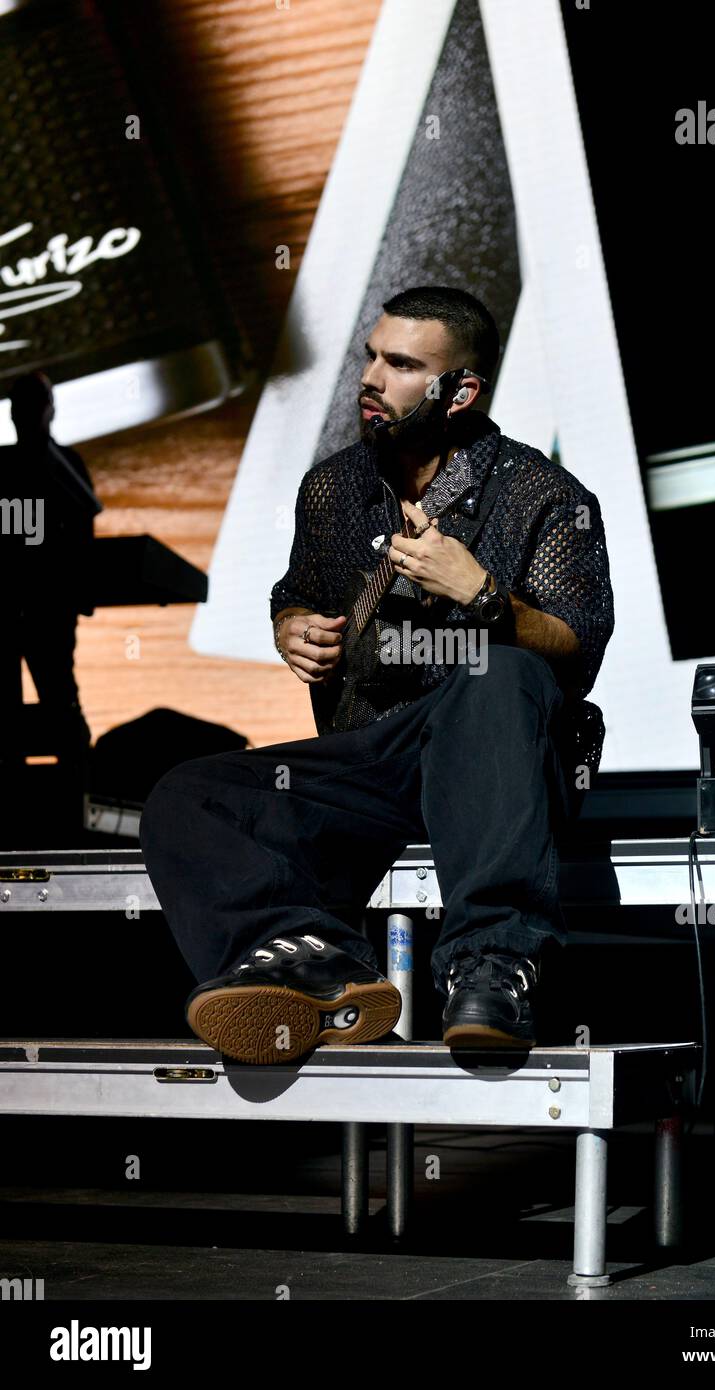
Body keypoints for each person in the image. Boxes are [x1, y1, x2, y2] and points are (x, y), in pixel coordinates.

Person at [140, 286, 614, 1064]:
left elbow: (578, 644)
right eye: (370, 355)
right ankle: (311, 961)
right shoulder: (334, 489)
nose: (370, 376)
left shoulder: (542, 495)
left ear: (458, 391)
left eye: (400, 364)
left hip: (495, 758)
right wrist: (291, 626)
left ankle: (493, 964)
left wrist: (484, 595)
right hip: (373, 759)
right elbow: (300, 589)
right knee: (190, 792)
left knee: (500, 674)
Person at [0, 371, 101, 764]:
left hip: (39, 605)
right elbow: (82, 530)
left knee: (57, 701)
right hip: (36, 605)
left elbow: (80, 532)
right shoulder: (63, 465)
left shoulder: (59, 465)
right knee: (53, 702)